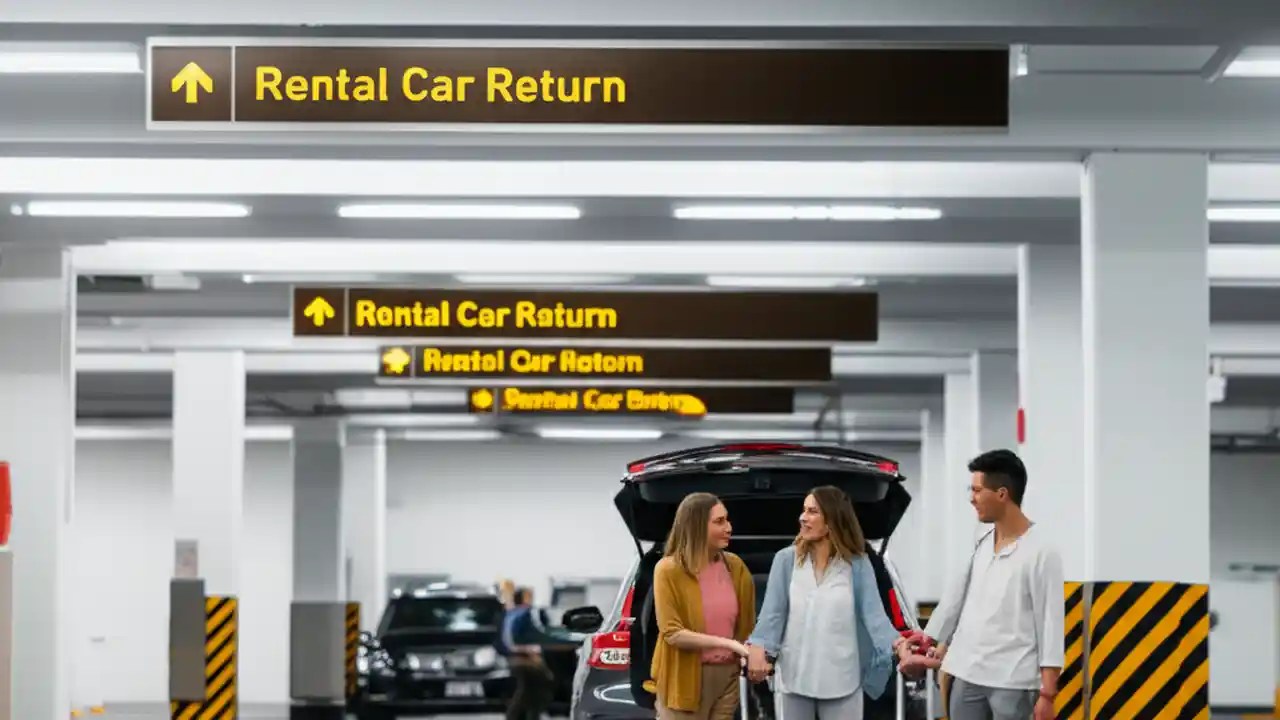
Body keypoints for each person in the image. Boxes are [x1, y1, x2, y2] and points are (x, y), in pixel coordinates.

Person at [898, 449, 1065, 720]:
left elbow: (1050, 626)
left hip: (1012, 681)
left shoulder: (1042, 552)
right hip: (965, 675)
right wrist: (930, 637)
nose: (971, 499)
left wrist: (1047, 694)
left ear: (1001, 494)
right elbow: (957, 597)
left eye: (977, 491)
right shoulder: (983, 542)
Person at [744, 486, 904, 719]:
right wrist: (758, 647)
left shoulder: (858, 564)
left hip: (843, 679)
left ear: (832, 520)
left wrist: (899, 644)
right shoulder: (785, 560)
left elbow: (874, 617)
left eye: (812, 512)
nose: (802, 517)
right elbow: (772, 615)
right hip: (793, 678)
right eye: (803, 511)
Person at [650, 492, 758, 719]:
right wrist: (729, 644)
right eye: (719, 522)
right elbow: (672, 633)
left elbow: (748, 624)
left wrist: (747, 652)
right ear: (696, 525)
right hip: (684, 678)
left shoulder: (735, 566)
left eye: (727, 520)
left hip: (727, 677)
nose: (728, 527)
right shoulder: (668, 570)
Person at [501, 586, 576, 720]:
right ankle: (522, 715)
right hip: (525, 659)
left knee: (529, 690)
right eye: (529, 595)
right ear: (524, 598)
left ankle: (524, 715)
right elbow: (537, 634)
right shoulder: (525, 613)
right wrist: (563, 642)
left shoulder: (510, 613)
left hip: (514, 658)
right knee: (541, 686)